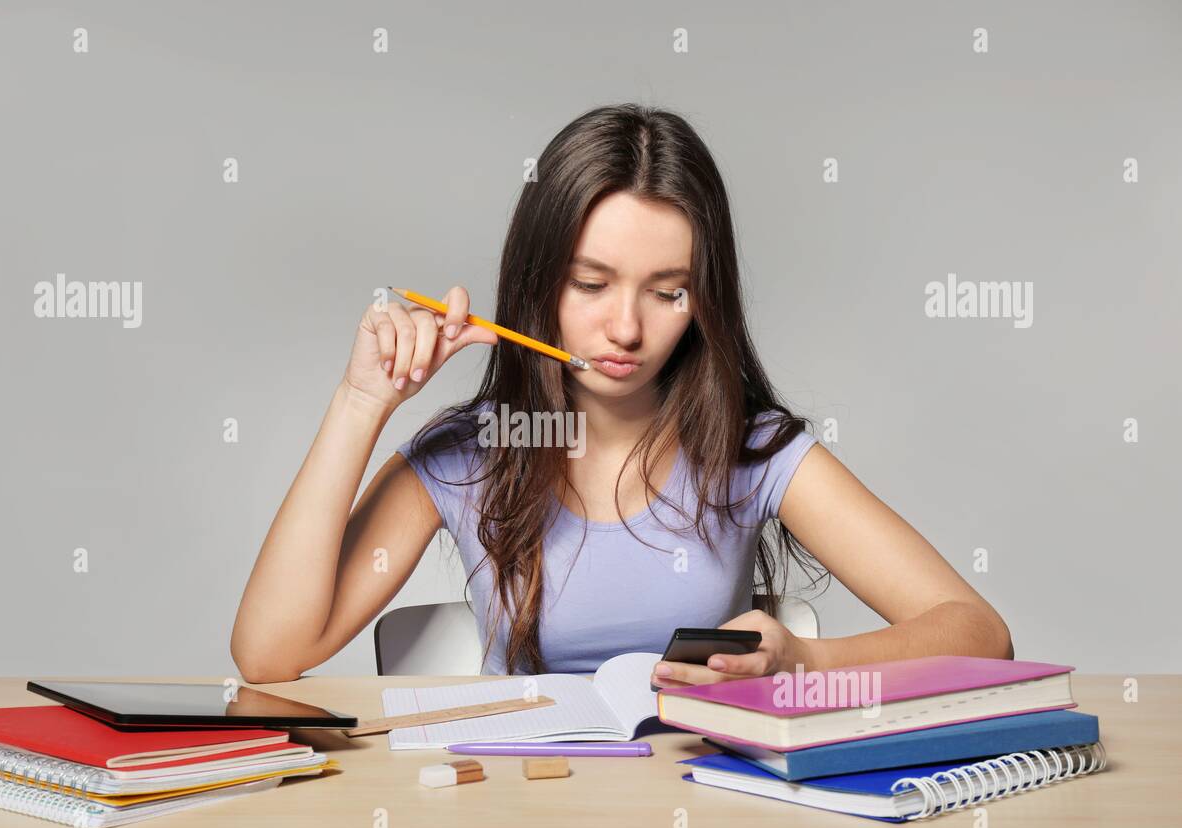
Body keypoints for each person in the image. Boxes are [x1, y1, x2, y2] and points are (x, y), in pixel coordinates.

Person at [230, 103, 1012, 686]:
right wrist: (362, 401)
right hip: (521, 822)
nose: (626, 328)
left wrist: (804, 658)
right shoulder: (468, 456)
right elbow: (269, 655)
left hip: (710, 815)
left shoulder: (752, 450)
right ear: (538, 283)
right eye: (591, 283)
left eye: (668, 292)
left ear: (704, 301)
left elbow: (978, 631)